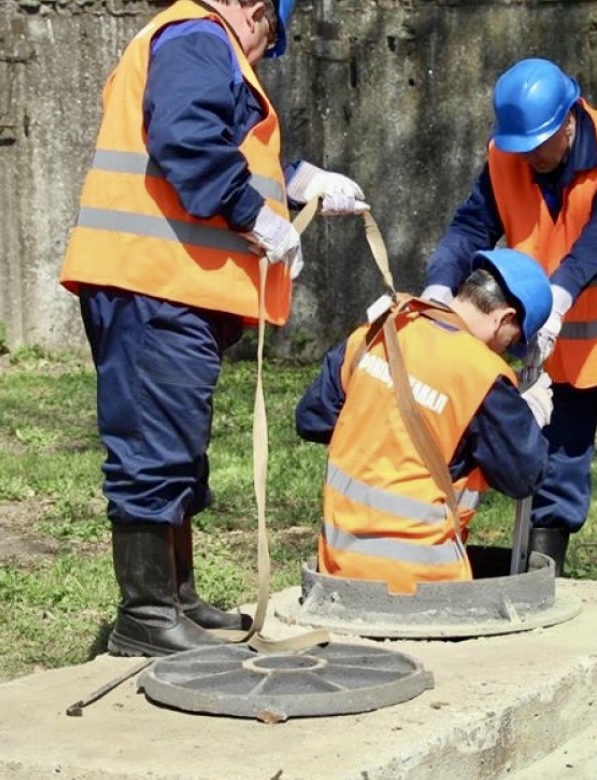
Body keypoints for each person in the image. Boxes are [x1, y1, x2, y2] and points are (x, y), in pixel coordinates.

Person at [59, 0, 369, 657]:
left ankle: (176, 599)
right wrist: (251, 215)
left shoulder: (196, 43)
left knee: (177, 443)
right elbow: (188, 137)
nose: (264, 54)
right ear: (256, 10)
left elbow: (220, 142)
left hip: (165, 288)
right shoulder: (199, 37)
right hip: (152, 285)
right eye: (271, 39)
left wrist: (298, 182)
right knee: (155, 448)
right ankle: (146, 616)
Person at [421, 58, 597, 585]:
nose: (530, 158)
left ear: (568, 120)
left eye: (539, 145)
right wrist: (438, 287)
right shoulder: (507, 156)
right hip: (558, 352)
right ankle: (547, 593)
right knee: (554, 480)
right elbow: (471, 226)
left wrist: (557, 298)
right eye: (520, 147)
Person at [295, 249, 556, 594]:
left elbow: (312, 419)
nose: (506, 351)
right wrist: (528, 417)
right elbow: (524, 476)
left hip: (338, 568)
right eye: (513, 341)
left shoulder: (383, 329)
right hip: (423, 584)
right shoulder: (482, 375)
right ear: (504, 317)